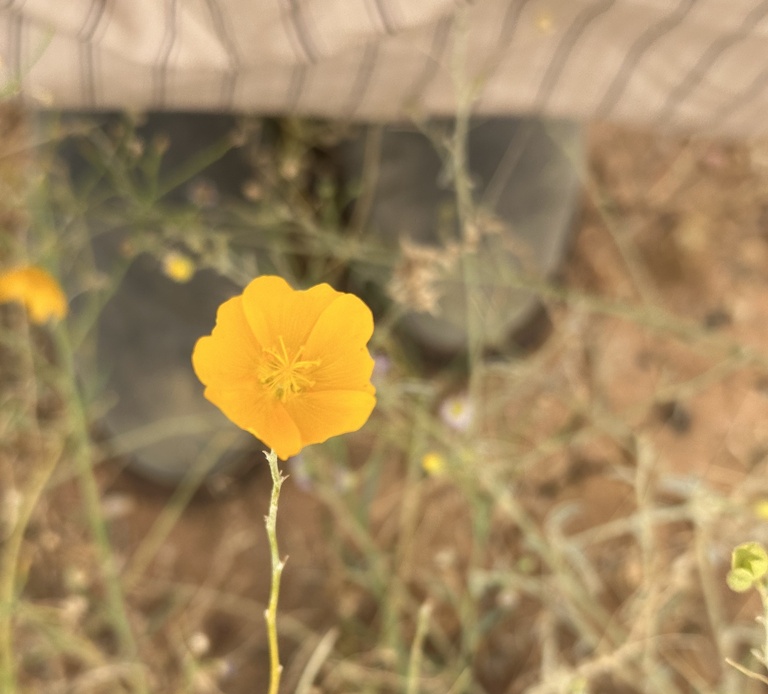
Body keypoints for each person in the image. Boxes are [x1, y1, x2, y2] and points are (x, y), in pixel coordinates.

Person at [2, 0, 761, 481]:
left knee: (473, 288)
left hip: (486, 21)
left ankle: (488, 61)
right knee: (175, 414)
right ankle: (135, 97)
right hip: (111, 25)